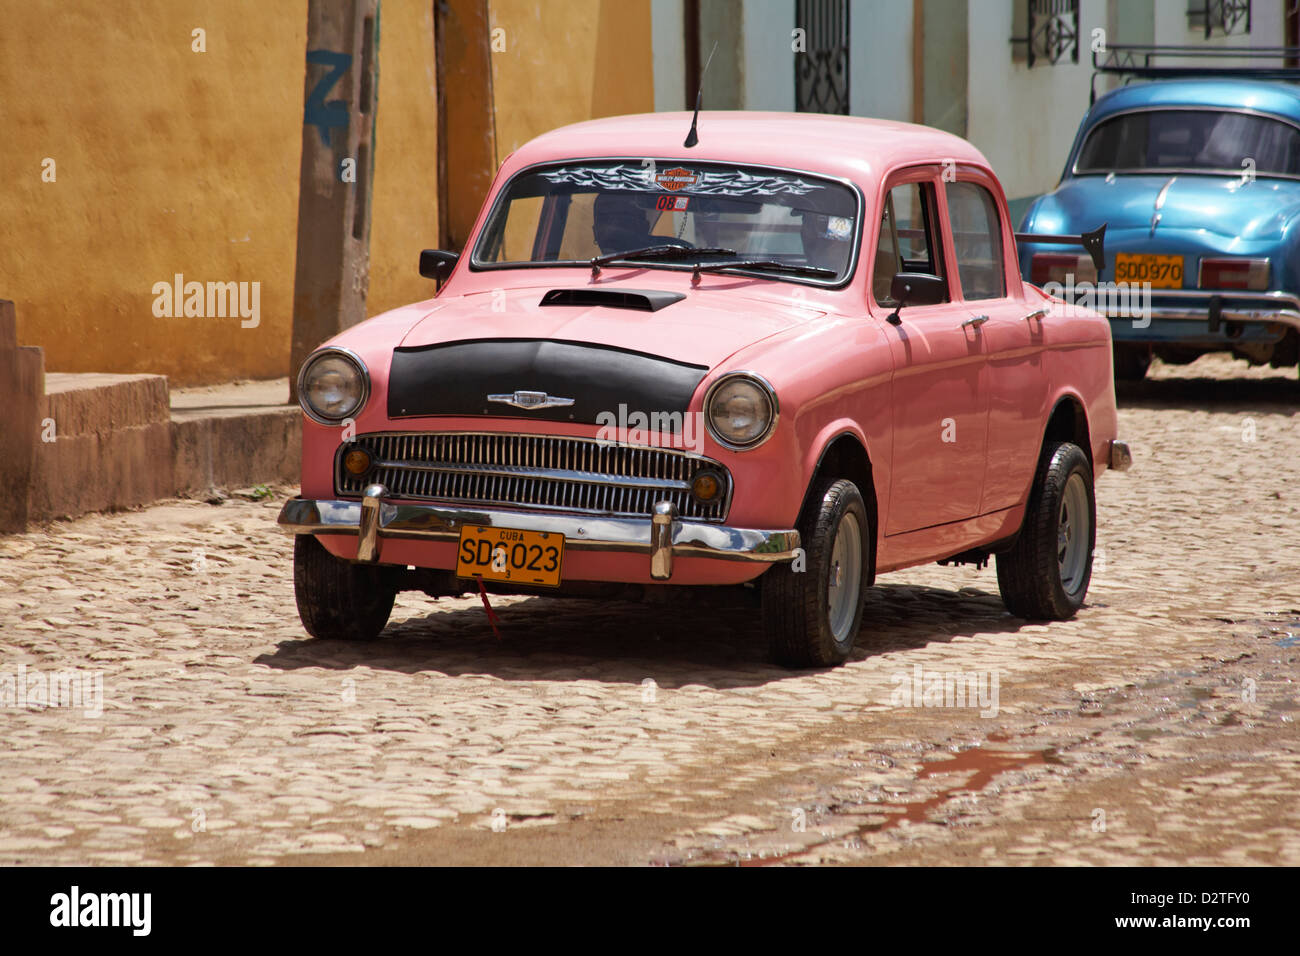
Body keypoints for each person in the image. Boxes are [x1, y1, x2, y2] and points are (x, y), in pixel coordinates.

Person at [591, 192, 656, 255]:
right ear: (594, 232)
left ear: (644, 227)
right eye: (604, 219)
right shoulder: (585, 264)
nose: (612, 228)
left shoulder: (663, 260)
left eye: (623, 219)